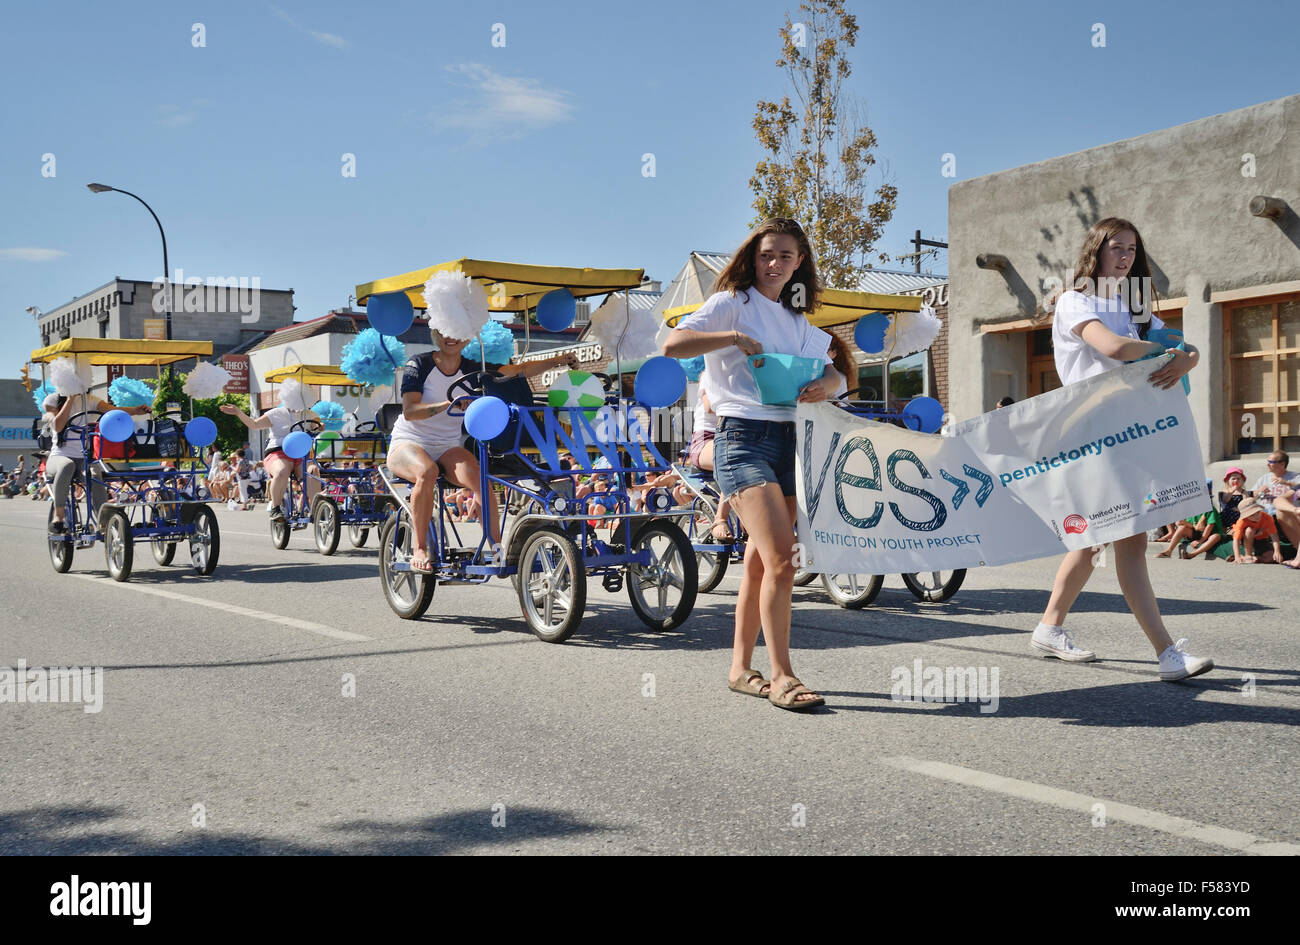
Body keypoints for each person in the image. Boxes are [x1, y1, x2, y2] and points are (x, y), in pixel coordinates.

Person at [665, 217, 841, 710]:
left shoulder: (798, 319)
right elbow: (672, 345)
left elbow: (835, 372)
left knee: (762, 562)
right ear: (752, 257)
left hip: (791, 440)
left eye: (785, 256)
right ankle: (783, 675)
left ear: (799, 262)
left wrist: (827, 385)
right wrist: (729, 337)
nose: (774, 264)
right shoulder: (732, 304)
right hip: (742, 440)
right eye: (767, 254)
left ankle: (741, 669)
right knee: (784, 559)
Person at [1031, 217, 1212, 681]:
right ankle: (1167, 653)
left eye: (1133, 248)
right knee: (1130, 540)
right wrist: (1165, 353)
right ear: (1096, 251)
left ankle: (1050, 628)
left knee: (1093, 541)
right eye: (1117, 246)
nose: (1126, 255)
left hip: (1130, 434)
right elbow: (1112, 347)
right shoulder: (1075, 301)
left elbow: (1186, 348)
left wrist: (1184, 356)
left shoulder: (1134, 308)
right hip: (1095, 437)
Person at [42, 392, 150, 532]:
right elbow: (57, 426)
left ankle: (103, 522)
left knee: (95, 474)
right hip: (59, 456)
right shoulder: (52, 400)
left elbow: (111, 410)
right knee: (67, 466)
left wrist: (135, 410)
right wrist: (70, 399)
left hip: (84, 457)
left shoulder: (91, 400)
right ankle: (59, 516)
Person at [219, 401, 323, 521]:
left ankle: (317, 509)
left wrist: (321, 426)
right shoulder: (276, 413)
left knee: (313, 471)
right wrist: (238, 412)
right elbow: (254, 424)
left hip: (300, 454)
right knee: (282, 471)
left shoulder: (308, 415)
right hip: (278, 451)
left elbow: (317, 428)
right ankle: (276, 507)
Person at [1250, 451, 1300, 567]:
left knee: (1279, 511)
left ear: (1282, 464)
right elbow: (1250, 497)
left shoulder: (1295, 477)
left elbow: (1297, 488)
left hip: (1286, 518)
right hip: (1264, 515)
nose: (1268, 464)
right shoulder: (1264, 479)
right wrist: (1258, 492)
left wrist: (1287, 483)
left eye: (1271, 462)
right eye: (1267, 461)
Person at [1232, 497, 1281, 564]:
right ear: (1246, 516)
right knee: (1249, 530)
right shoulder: (1241, 521)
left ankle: (1255, 558)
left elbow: (1274, 536)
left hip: (1261, 539)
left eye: (1258, 512)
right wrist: (1237, 556)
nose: (1256, 516)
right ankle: (1248, 554)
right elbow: (1236, 539)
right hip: (1245, 539)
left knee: (1271, 558)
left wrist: (1277, 551)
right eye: (1252, 515)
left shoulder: (1268, 518)